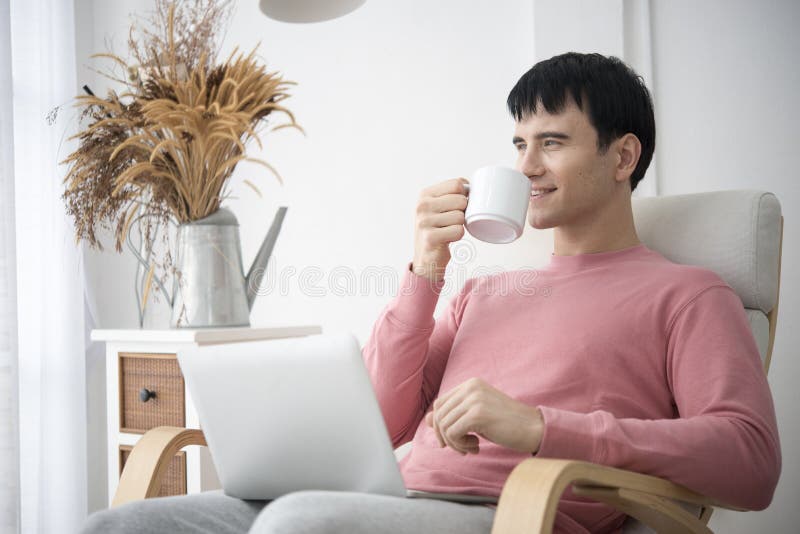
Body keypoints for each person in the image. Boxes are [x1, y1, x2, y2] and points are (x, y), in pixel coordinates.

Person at [82, 52, 781, 534]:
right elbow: (385, 421)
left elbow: (750, 461)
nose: (525, 166)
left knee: (299, 524)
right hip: (387, 494)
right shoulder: (484, 289)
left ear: (621, 156)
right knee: (126, 524)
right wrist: (424, 272)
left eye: (552, 143)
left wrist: (541, 428)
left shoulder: (688, 295)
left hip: (509, 514)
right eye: (517, 144)